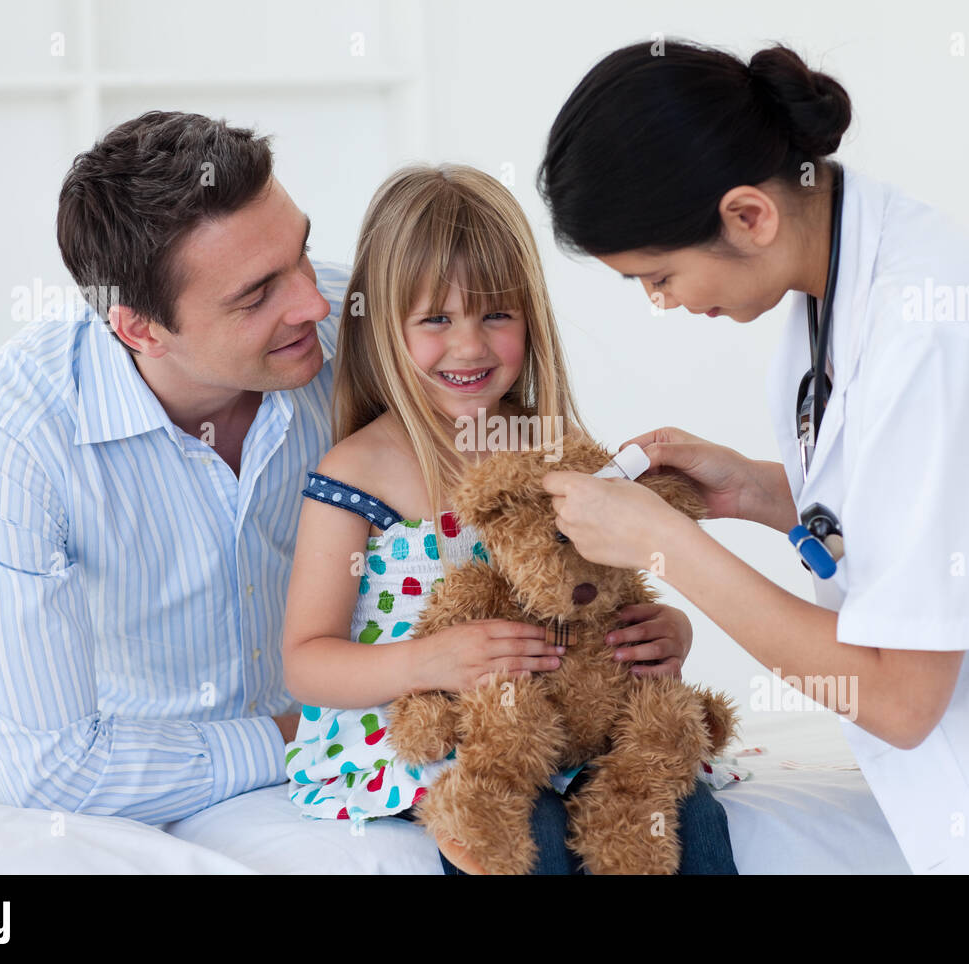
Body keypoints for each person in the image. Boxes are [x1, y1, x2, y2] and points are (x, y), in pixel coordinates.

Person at [533, 39, 969, 873]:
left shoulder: (931, 334)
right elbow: (935, 519)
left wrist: (662, 544)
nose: (662, 302)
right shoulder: (834, 290)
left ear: (749, 215)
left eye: (659, 275)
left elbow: (897, 699)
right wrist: (762, 492)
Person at [280, 162, 738, 874]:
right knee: (527, 828)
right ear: (383, 327)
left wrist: (668, 631)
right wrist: (426, 661)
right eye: (435, 319)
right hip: (436, 734)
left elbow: (602, 593)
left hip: (562, 727)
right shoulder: (355, 472)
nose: (470, 346)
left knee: (683, 811)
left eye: (497, 314)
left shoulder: (556, 452)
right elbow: (307, 663)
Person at [0, 111, 347, 823]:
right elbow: (49, 773)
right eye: (257, 296)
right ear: (138, 328)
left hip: (368, 769)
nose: (312, 301)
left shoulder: (361, 327)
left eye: (303, 253)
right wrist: (314, 736)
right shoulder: (17, 435)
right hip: (147, 796)